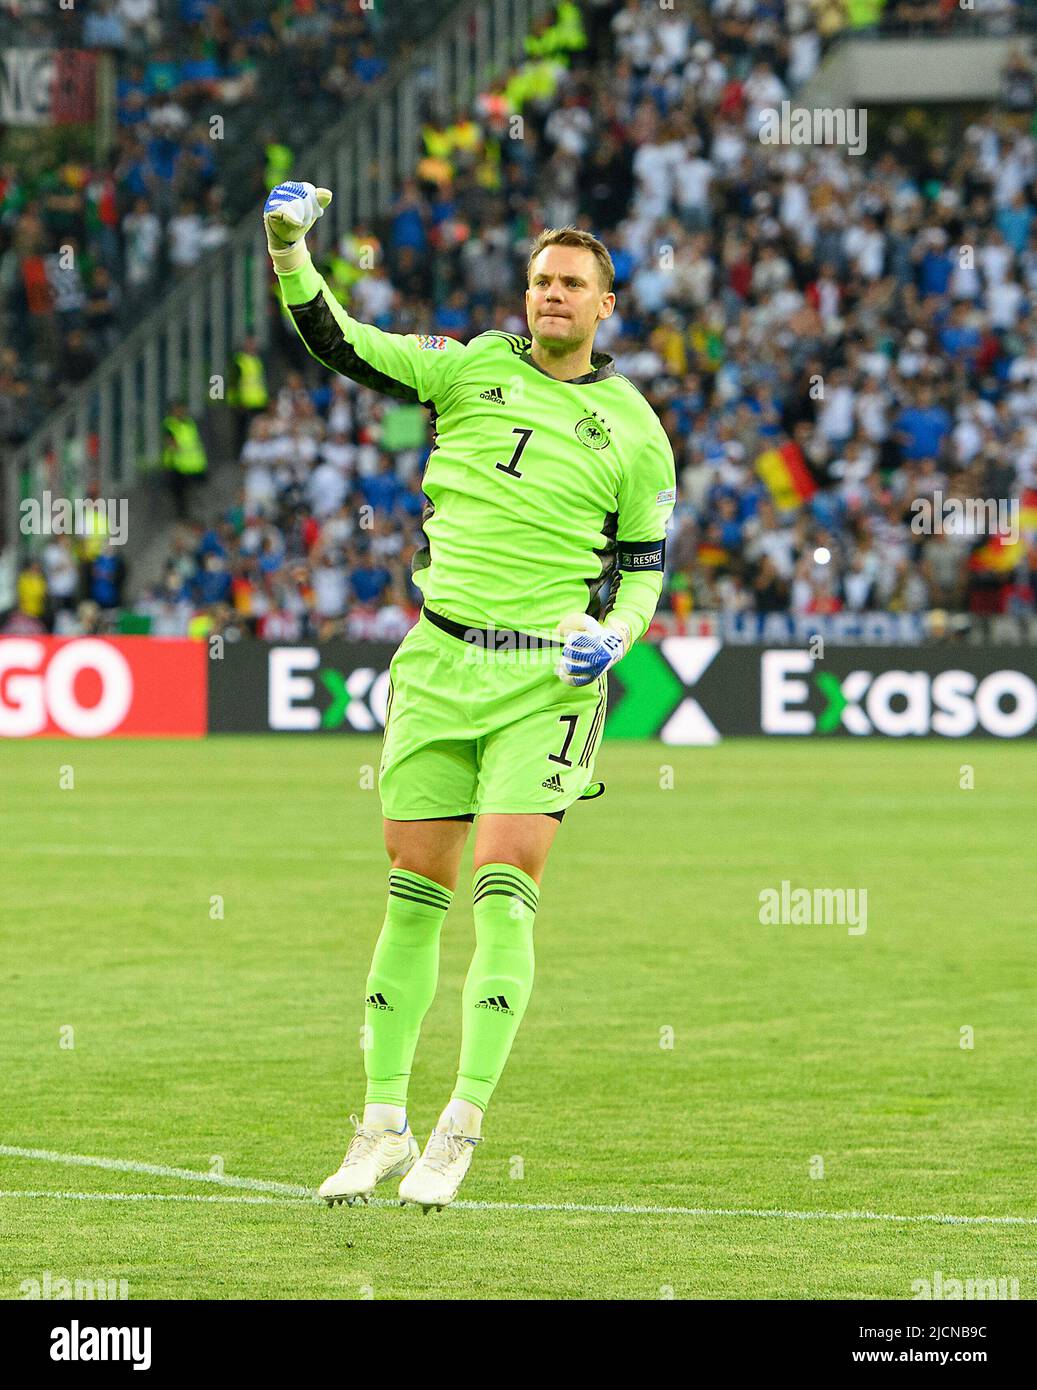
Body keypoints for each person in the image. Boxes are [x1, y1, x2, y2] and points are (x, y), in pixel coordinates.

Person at [263, 182, 674, 1211]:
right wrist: (286, 250)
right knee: (411, 893)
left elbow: (642, 568)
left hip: (544, 676)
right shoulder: (466, 365)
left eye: (573, 284)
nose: (552, 295)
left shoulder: (631, 429)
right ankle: (382, 1122)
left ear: (605, 307)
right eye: (541, 279)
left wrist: (612, 641)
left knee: (503, 881)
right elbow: (342, 342)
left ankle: (462, 1120)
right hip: (436, 663)